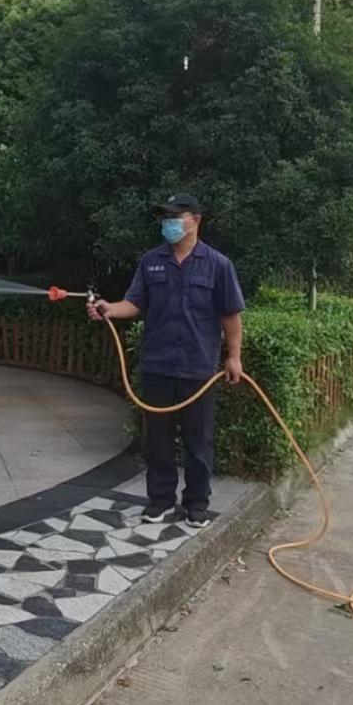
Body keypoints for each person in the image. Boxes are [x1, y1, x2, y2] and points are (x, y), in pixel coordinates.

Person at [87, 194, 245, 528]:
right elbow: (133, 303)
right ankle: (160, 501)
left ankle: (196, 504)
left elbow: (231, 314)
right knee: (157, 440)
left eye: (176, 216)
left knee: (198, 441)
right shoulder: (151, 262)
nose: (168, 223)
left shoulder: (218, 264)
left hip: (198, 367)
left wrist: (234, 356)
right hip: (157, 365)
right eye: (164, 217)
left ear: (196, 220)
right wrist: (108, 309)